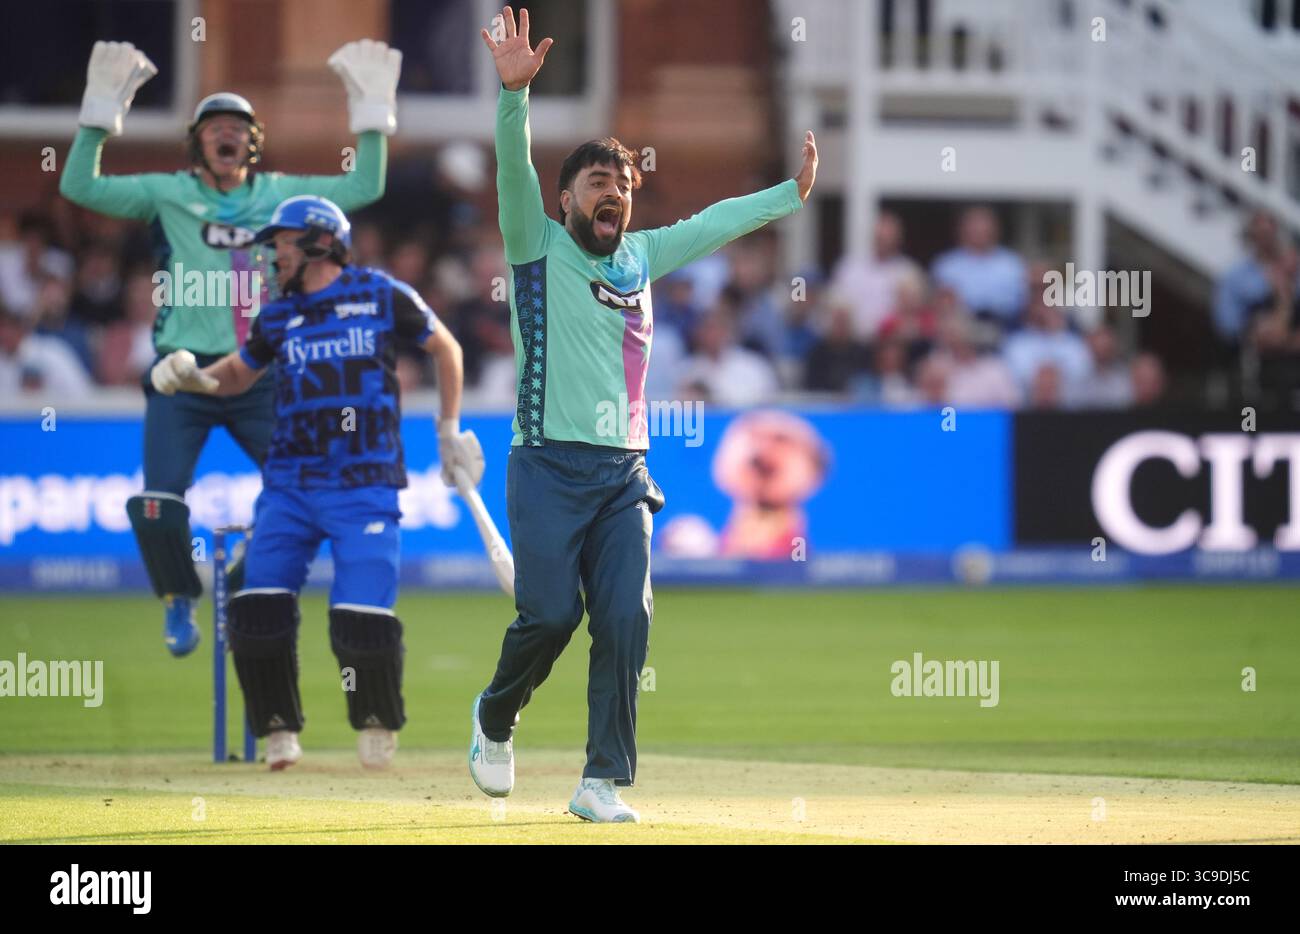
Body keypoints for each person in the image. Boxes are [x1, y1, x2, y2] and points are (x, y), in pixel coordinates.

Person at [468, 7, 817, 823]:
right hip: (546, 463)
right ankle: (494, 715)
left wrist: (789, 195)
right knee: (550, 615)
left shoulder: (643, 256)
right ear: (564, 201)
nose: (614, 197)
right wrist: (513, 97)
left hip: (624, 470)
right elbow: (509, 169)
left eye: (622, 187)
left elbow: (713, 222)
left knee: (626, 617)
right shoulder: (535, 242)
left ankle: (600, 781)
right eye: (597, 185)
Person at [58, 39, 400, 658]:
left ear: (253, 142)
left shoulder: (281, 196)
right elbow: (79, 185)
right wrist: (98, 114)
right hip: (180, 375)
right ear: (197, 142)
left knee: (303, 492)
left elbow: (365, 185)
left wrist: (373, 113)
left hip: (256, 375)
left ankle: (239, 582)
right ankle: (179, 599)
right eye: (213, 128)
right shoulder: (164, 193)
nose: (225, 136)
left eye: (237, 129)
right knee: (158, 504)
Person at [148, 195, 483, 771]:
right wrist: (192, 379)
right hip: (289, 485)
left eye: (280, 243)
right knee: (256, 609)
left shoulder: (380, 294)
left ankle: (376, 722)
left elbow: (444, 348)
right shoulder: (278, 315)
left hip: (365, 483)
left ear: (320, 241)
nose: (272, 255)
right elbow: (238, 374)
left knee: (362, 619)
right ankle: (278, 730)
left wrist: (448, 431)